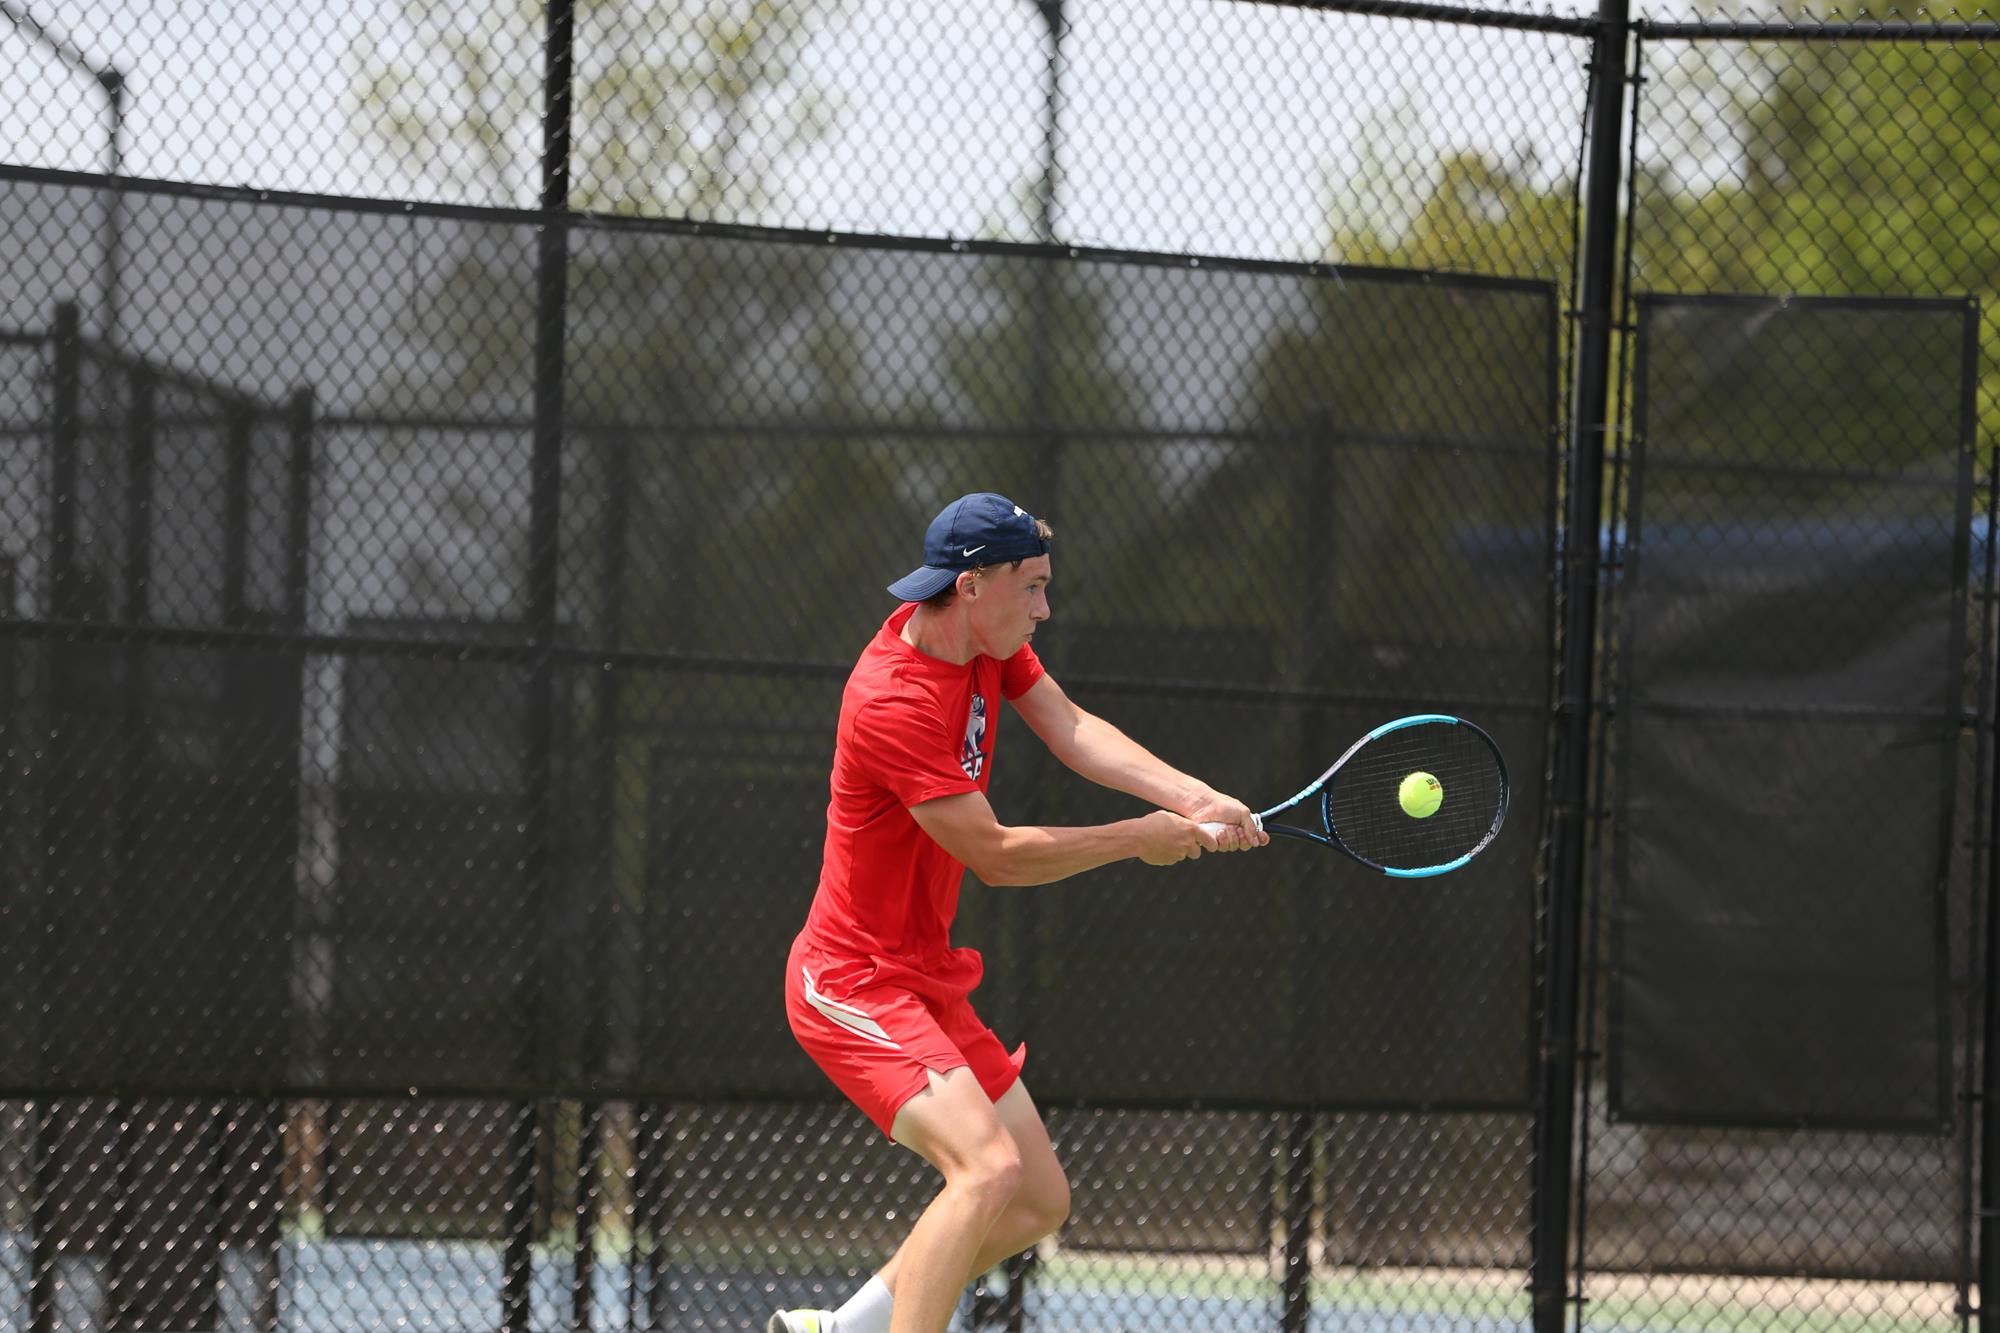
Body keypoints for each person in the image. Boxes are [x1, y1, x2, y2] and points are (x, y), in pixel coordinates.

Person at [768, 492, 1268, 1333]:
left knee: (1035, 1196)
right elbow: (994, 855)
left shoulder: (985, 647)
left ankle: (837, 1329)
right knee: (985, 1169)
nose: (1044, 606)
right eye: (1031, 586)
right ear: (971, 585)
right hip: (851, 982)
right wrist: (1136, 838)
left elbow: (1072, 728)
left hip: (924, 977)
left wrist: (1197, 797)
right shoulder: (892, 698)